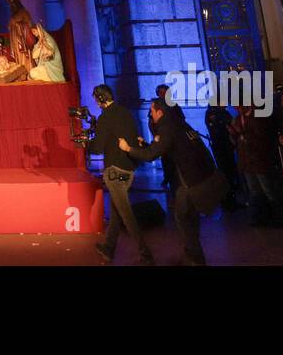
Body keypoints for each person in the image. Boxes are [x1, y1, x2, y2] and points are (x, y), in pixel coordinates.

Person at [122, 96, 227, 265]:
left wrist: (129, 149)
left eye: (152, 111)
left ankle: (195, 257)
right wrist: (146, 145)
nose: (150, 115)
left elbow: (151, 156)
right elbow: (162, 149)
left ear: (160, 112)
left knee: (182, 217)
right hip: (197, 176)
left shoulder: (167, 128)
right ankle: (192, 254)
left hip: (190, 179)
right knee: (187, 215)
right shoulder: (179, 124)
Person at [88, 84, 155, 266]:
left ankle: (145, 253)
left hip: (115, 171)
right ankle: (109, 248)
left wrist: (86, 143)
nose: (96, 103)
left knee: (126, 215)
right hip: (129, 169)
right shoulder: (125, 112)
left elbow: (98, 148)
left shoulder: (105, 117)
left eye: (96, 99)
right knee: (118, 213)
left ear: (101, 99)